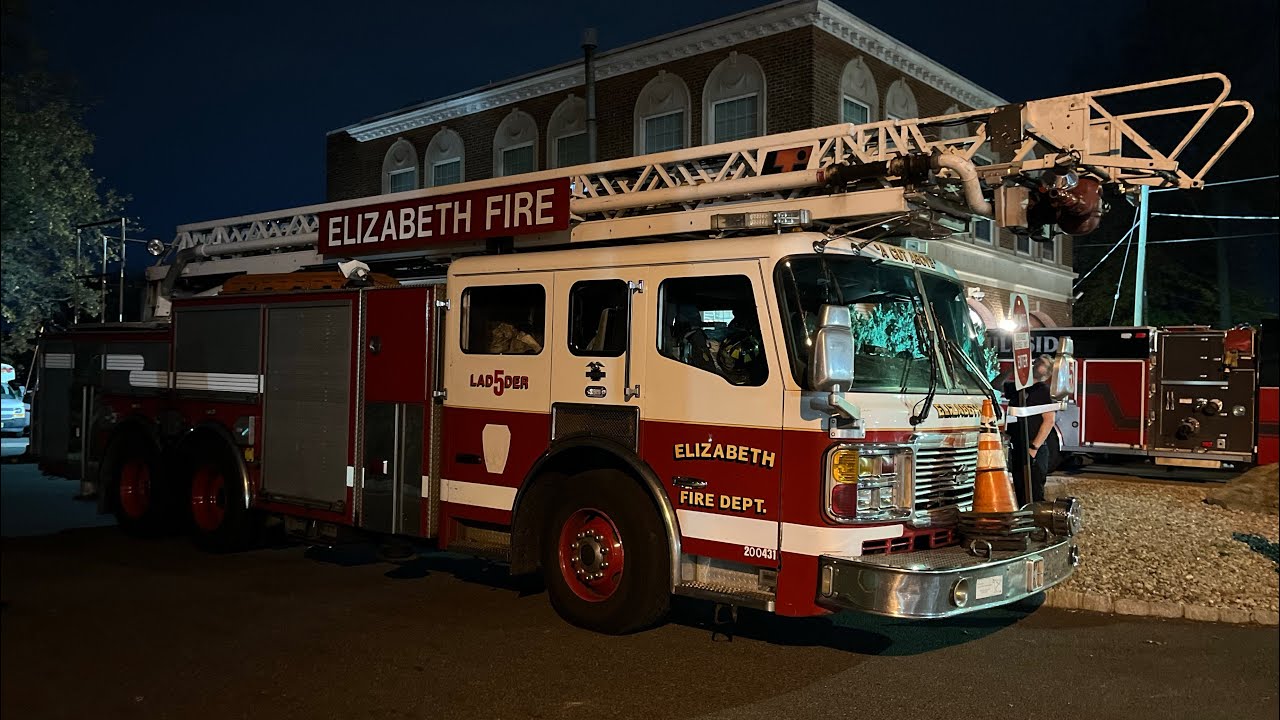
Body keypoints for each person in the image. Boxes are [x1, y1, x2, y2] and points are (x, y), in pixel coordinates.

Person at [1003, 355, 1061, 506]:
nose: (1039, 364)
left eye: (1045, 364)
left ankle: (1036, 525)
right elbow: (995, 385)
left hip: (1034, 449)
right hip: (1018, 447)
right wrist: (1011, 370)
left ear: (1048, 373)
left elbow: (1049, 421)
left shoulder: (1043, 391)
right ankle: (1024, 522)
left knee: (1034, 492)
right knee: (1021, 491)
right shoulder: (1019, 387)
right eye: (1039, 361)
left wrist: (1034, 448)